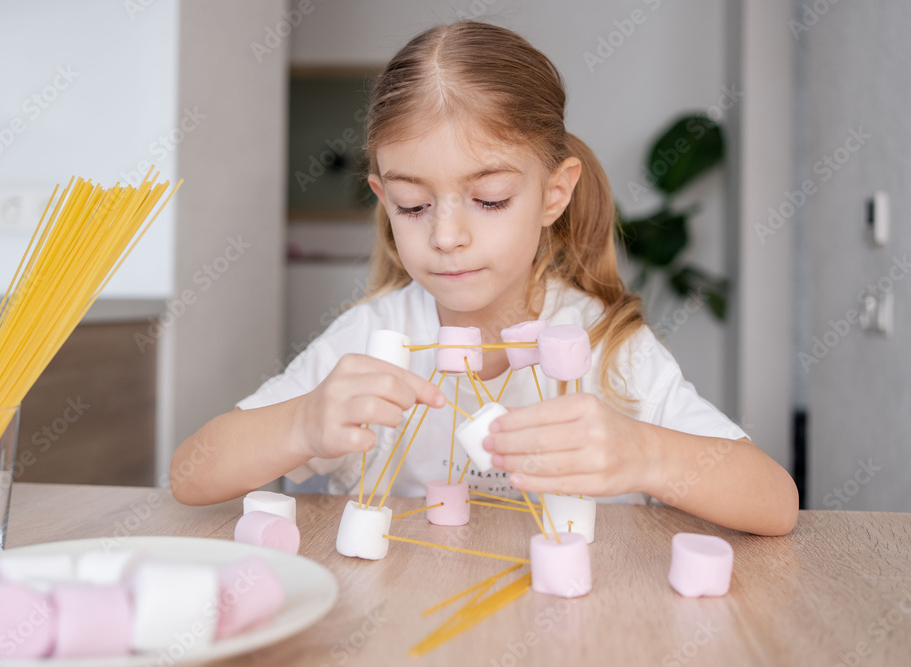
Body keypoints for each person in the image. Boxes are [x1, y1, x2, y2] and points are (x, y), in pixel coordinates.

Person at [171, 21, 798, 536]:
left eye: (490, 199)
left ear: (554, 194)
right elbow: (191, 475)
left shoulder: (606, 344)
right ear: (382, 198)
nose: (446, 236)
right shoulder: (372, 338)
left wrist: (644, 453)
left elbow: (776, 503)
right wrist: (302, 422)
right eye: (413, 206)